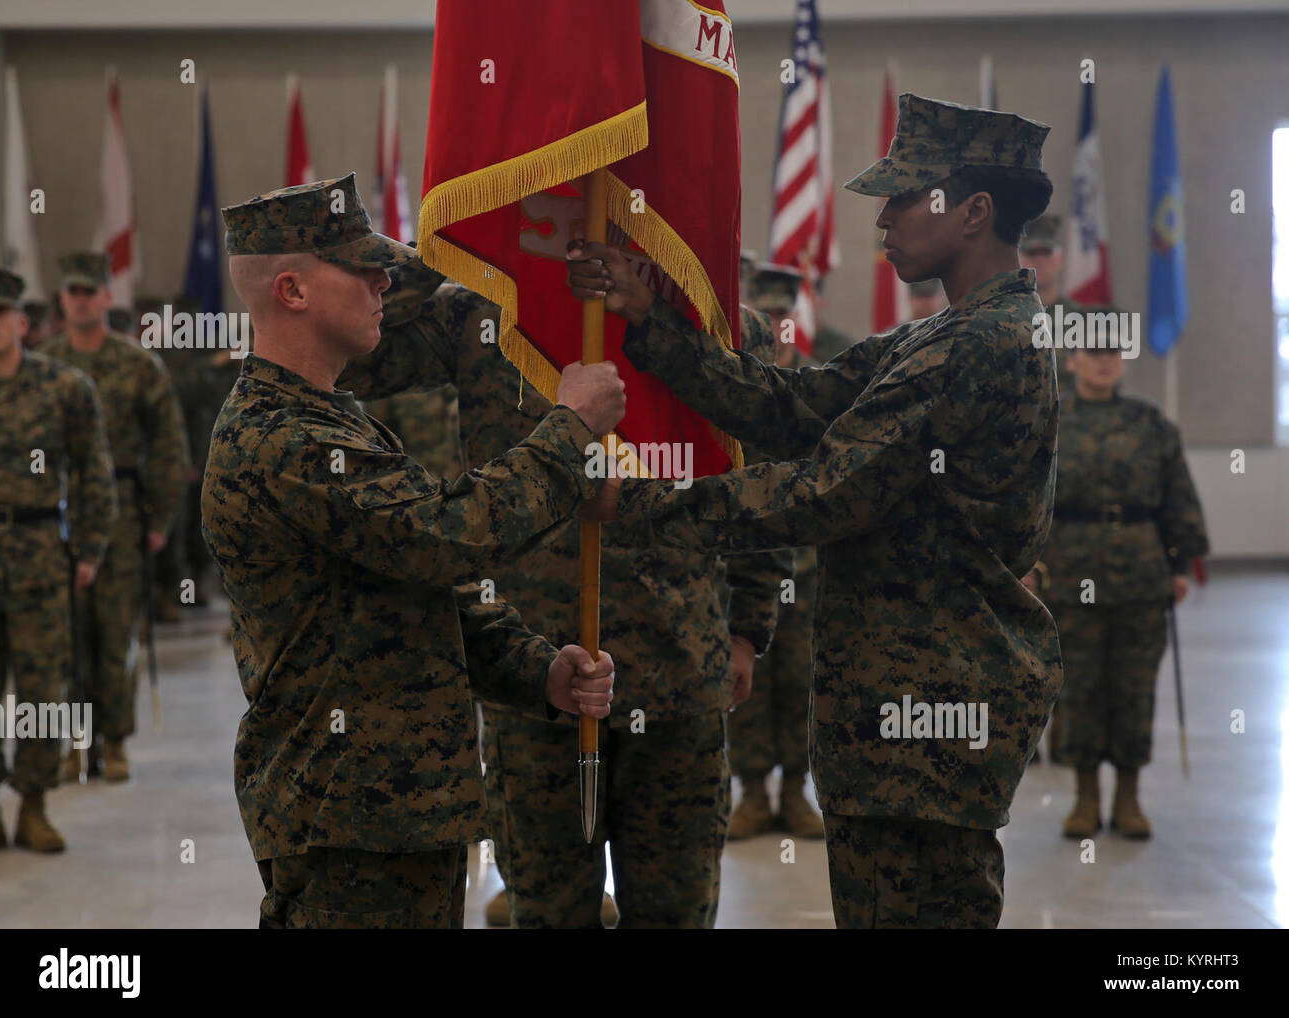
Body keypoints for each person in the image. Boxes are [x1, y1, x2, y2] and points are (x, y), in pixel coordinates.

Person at [567, 94, 1062, 929]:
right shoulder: (941, 334)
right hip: (908, 705)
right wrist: (649, 320)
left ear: (974, 212)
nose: (885, 220)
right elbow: (790, 407)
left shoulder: (977, 345)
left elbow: (824, 489)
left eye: (907, 198)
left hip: (928, 713)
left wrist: (642, 503)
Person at [202, 173, 620, 929]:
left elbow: (420, 593)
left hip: (402, 811)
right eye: (360, 269)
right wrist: (569, 430)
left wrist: (540, 673)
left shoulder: (336, 419)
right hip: (346, 818)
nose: (383, 281)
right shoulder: (282, 438)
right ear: (292, 291)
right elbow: (450, 536)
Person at [337, 245, 787, 929]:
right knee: (547, 911)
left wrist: (750, 627)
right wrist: (437, 249)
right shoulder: (482, 313)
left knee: (676, 909)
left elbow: (759, 471)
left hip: (677, 662)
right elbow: (356, 360)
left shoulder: (707, 322)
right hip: (532, 667)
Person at [1026, 333, 1208, 840]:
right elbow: (1031, 500)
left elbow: (1178, 497)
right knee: (1080, 687)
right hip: (1071, 569)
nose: (1104, 363)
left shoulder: (1151, 424)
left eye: (1112, 354)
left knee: (1133, 688)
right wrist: (1031, 564)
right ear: (1074, 359)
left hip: (1141, 572)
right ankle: (1086, 799)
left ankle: (1129, 799)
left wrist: (1179, 563)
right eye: (1093, 354)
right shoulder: (1049, 421)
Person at [42, 254, 189, 783]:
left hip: (124, 512)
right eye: (72, 291)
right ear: (63, 300)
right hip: (55, 515)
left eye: (90, 291)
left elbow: (169, 443)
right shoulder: (46, 365)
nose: (81, 299)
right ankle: (73, 744)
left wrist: (160, 516)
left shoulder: (137, 365)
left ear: (106, 297)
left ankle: (115, 739)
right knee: (64, 636)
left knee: (115, 630)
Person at [0, 268, 116, 851]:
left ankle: (34, 803)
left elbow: (94, 470)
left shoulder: (64, 387)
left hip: (41, 553)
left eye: (0, 312)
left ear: (22, 321)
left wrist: (89, 548)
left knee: (44, 692)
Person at [726, 263, 824, 840]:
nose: (780, 327)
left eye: (786, 316)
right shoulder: (731, 388)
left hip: (807, 566)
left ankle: (795, 791)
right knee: (748, 678)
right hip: (740, 566)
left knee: (800, 680)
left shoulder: (816, 390)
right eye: (769, 317)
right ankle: (753, 792)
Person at [1018, 213, 1078, 395]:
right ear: (1019, 258)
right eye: (1032, 253)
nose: (1040, 260)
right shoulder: (1002, 318)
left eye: (1046, 253)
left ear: (1059, 259)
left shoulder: (1083, 321)